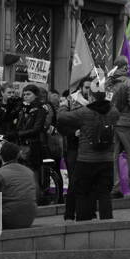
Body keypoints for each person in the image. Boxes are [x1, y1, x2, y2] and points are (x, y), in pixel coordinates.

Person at [55, 76, 118, 221]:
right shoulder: (113, 112)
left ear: (91, 96)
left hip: (86, 159)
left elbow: (61, 118)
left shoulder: (84, 113)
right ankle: (107, 222)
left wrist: (64, 104)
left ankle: (84, 222)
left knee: (82, 191)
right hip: (107, 159)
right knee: (104, 193)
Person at [106, 56, 130, 199]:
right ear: (123, 68)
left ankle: (115, 187)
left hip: (111, 123)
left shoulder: (108, 83)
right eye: (127, 66)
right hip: (126, 122)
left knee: (113, 155)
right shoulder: (129, 82)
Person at [0, 140, 38, 230]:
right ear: (18, 155)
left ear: (1, 156)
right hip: (29, 218)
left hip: (7, 219)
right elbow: (36, 194)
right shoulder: (29, 172)